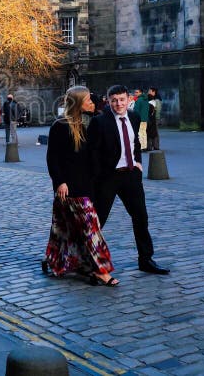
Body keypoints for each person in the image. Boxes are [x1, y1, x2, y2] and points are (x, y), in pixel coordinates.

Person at [87, 84, 170, 275]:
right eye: (114, 100)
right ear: (108, 101)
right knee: (98, 220)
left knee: (141, 217)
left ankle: (146, 259)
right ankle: (87, 261)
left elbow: (136, 142)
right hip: (108, 177)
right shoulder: (99, 122)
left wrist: (138, 162)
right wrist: (99, 175)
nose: (118, 104)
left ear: (128, 100)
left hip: (131, 175)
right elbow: (92, 153)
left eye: (122, 100)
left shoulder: (133, 117)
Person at [43, 86, 117, 285]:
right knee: (91, 229)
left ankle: (56, 260)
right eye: (88, 100)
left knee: (64, 229)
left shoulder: (94, 122)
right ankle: (102, 270)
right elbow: (53, 158)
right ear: (77, 103)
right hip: (69, 187)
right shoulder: (60, 125)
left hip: (89, 185)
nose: (92, 102)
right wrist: (59, 182)